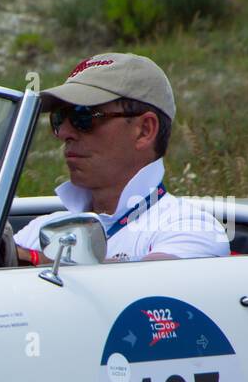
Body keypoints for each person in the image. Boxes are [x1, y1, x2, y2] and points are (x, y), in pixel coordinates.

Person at [14, 52, 229, 264]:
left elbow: (147, 284)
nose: (64, 132)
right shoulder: (41, 229)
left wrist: (28, 258)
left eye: (83, 116)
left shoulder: (193, 227)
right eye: (59, 118)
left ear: (145, 130)